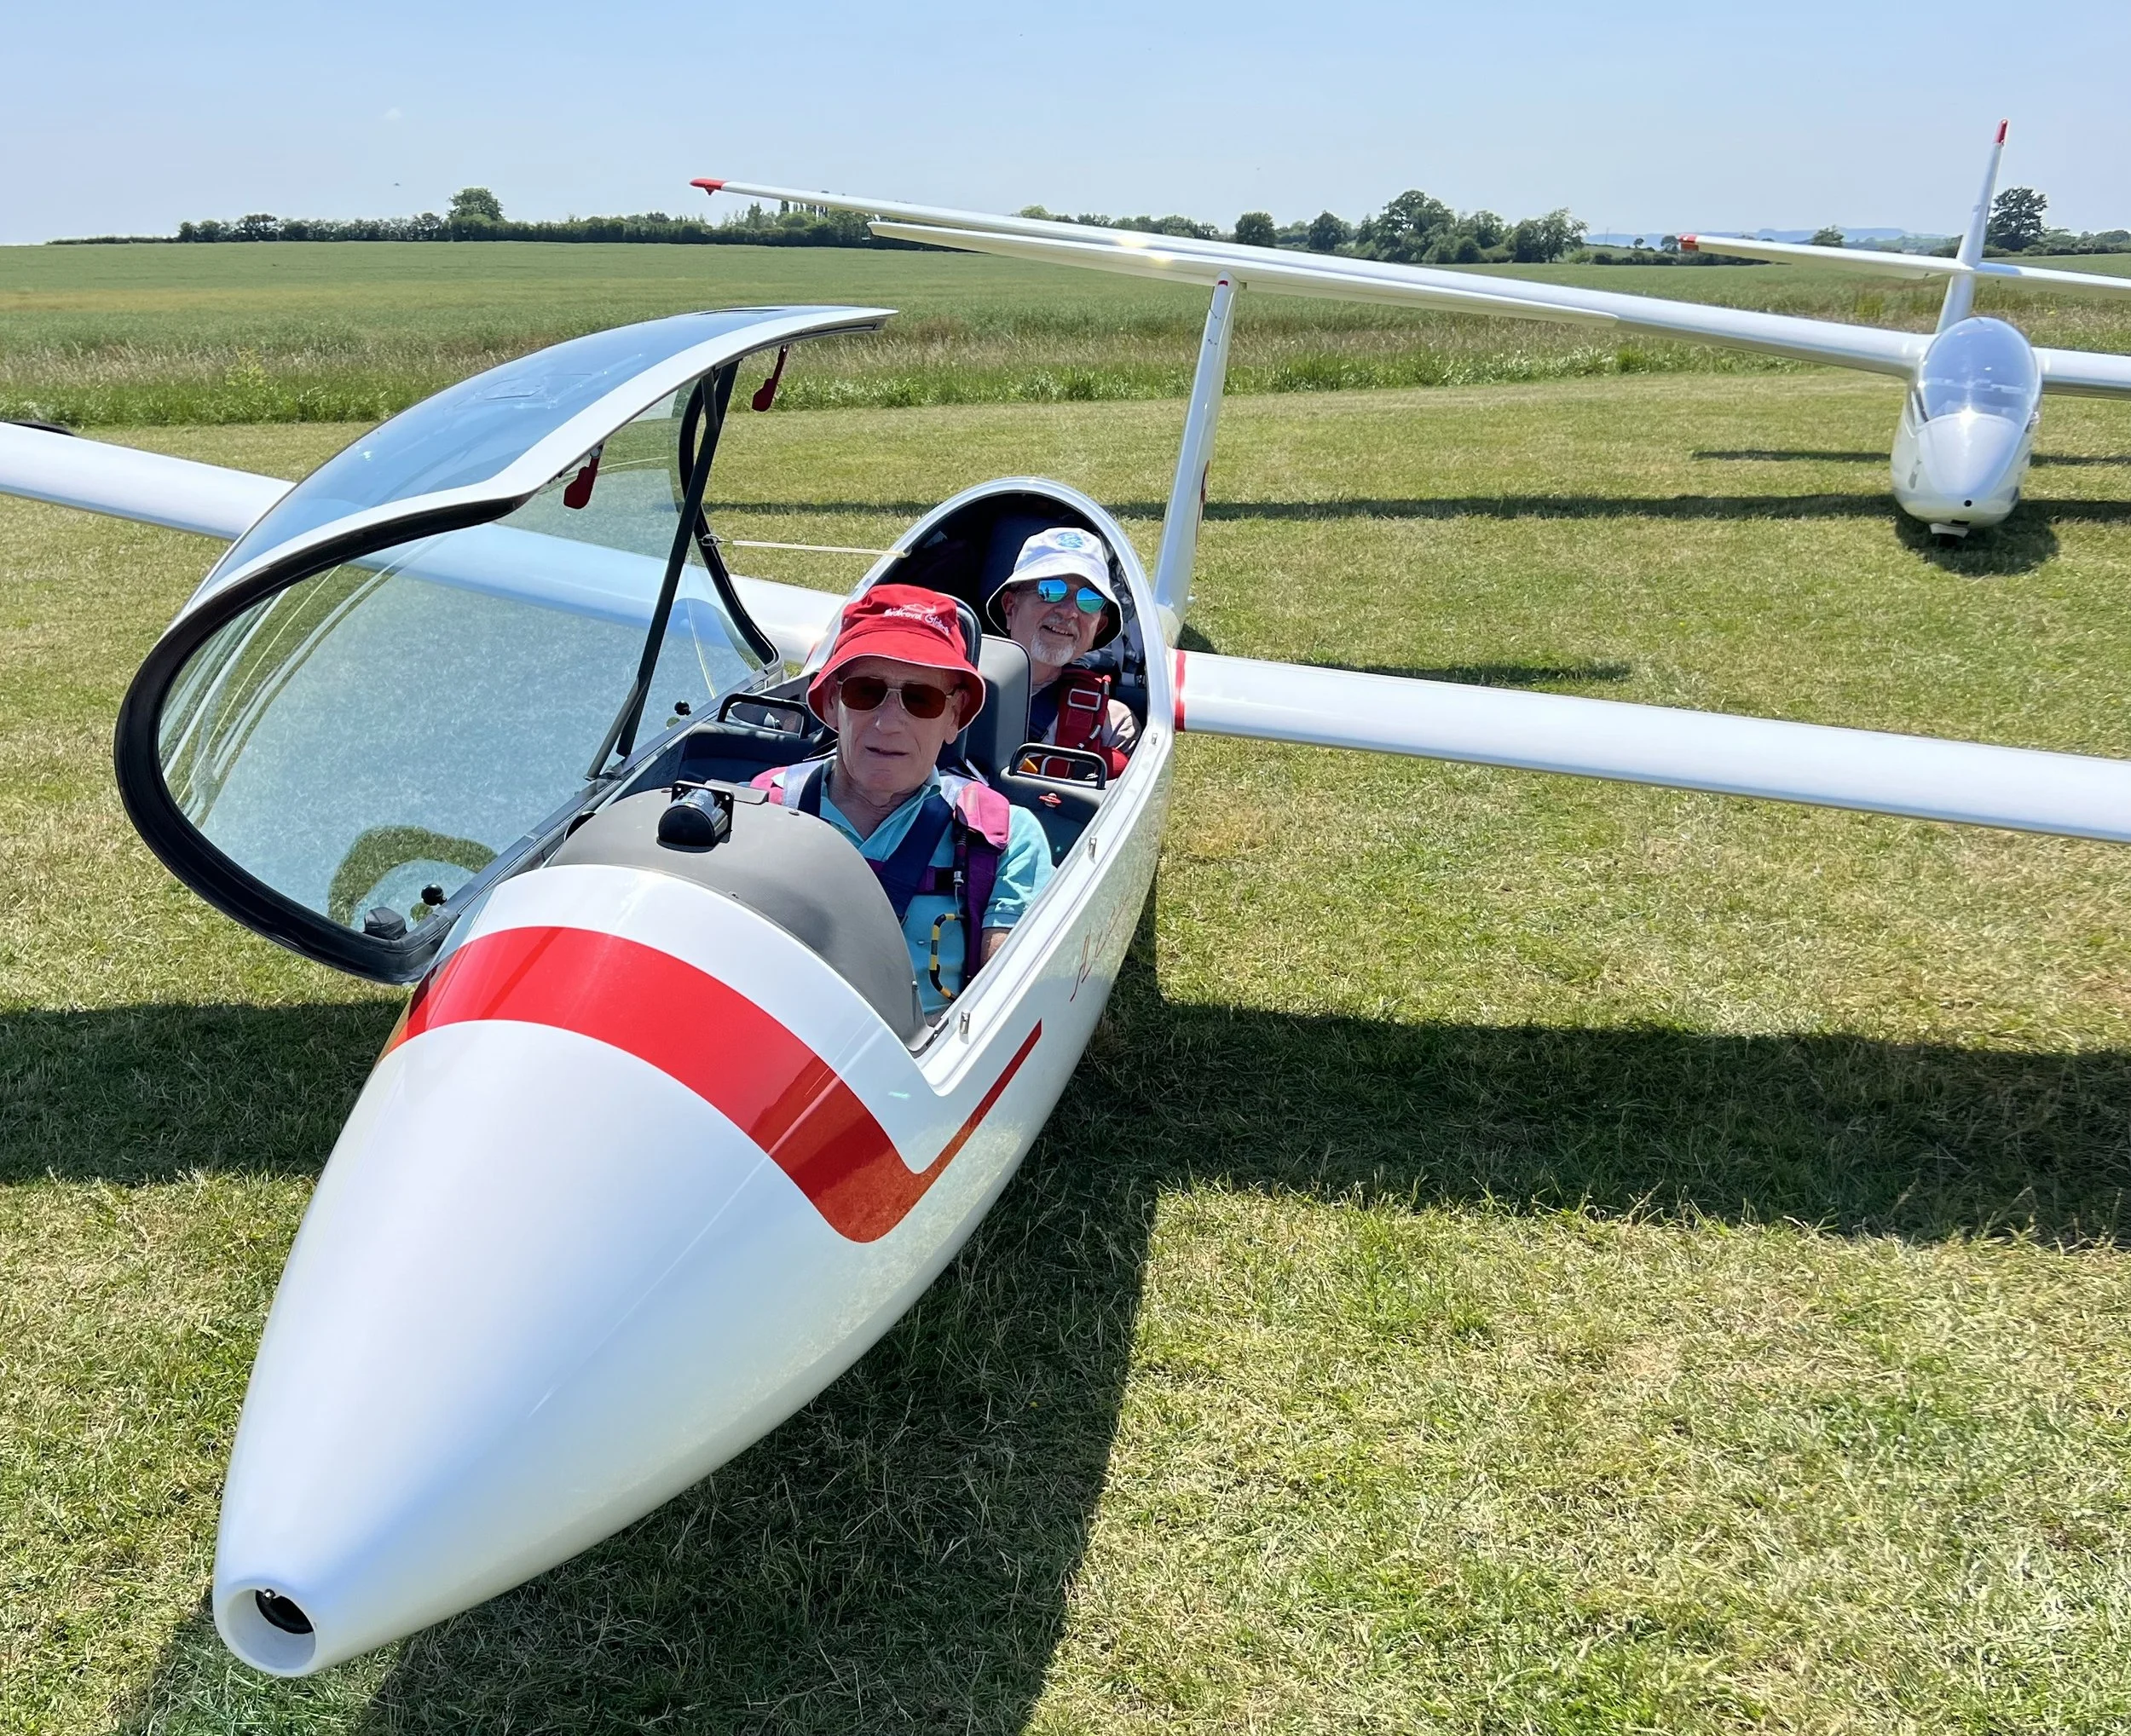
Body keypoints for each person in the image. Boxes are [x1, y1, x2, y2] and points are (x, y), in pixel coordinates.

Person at [754, 584, 1053, 1017]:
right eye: (865, 692)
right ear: (835, 702)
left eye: (921, 699)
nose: (888, 722)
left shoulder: (1004, 838)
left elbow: (1005, 1010)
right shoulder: (761, 810)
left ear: (955, 716)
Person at [988, 527, 1139, 777]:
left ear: (1098, 627)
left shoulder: (1112, 726)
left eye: (1089, 600)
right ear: (1010, 606)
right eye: (1051, 590)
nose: (1070, 611)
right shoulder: (951, 693)